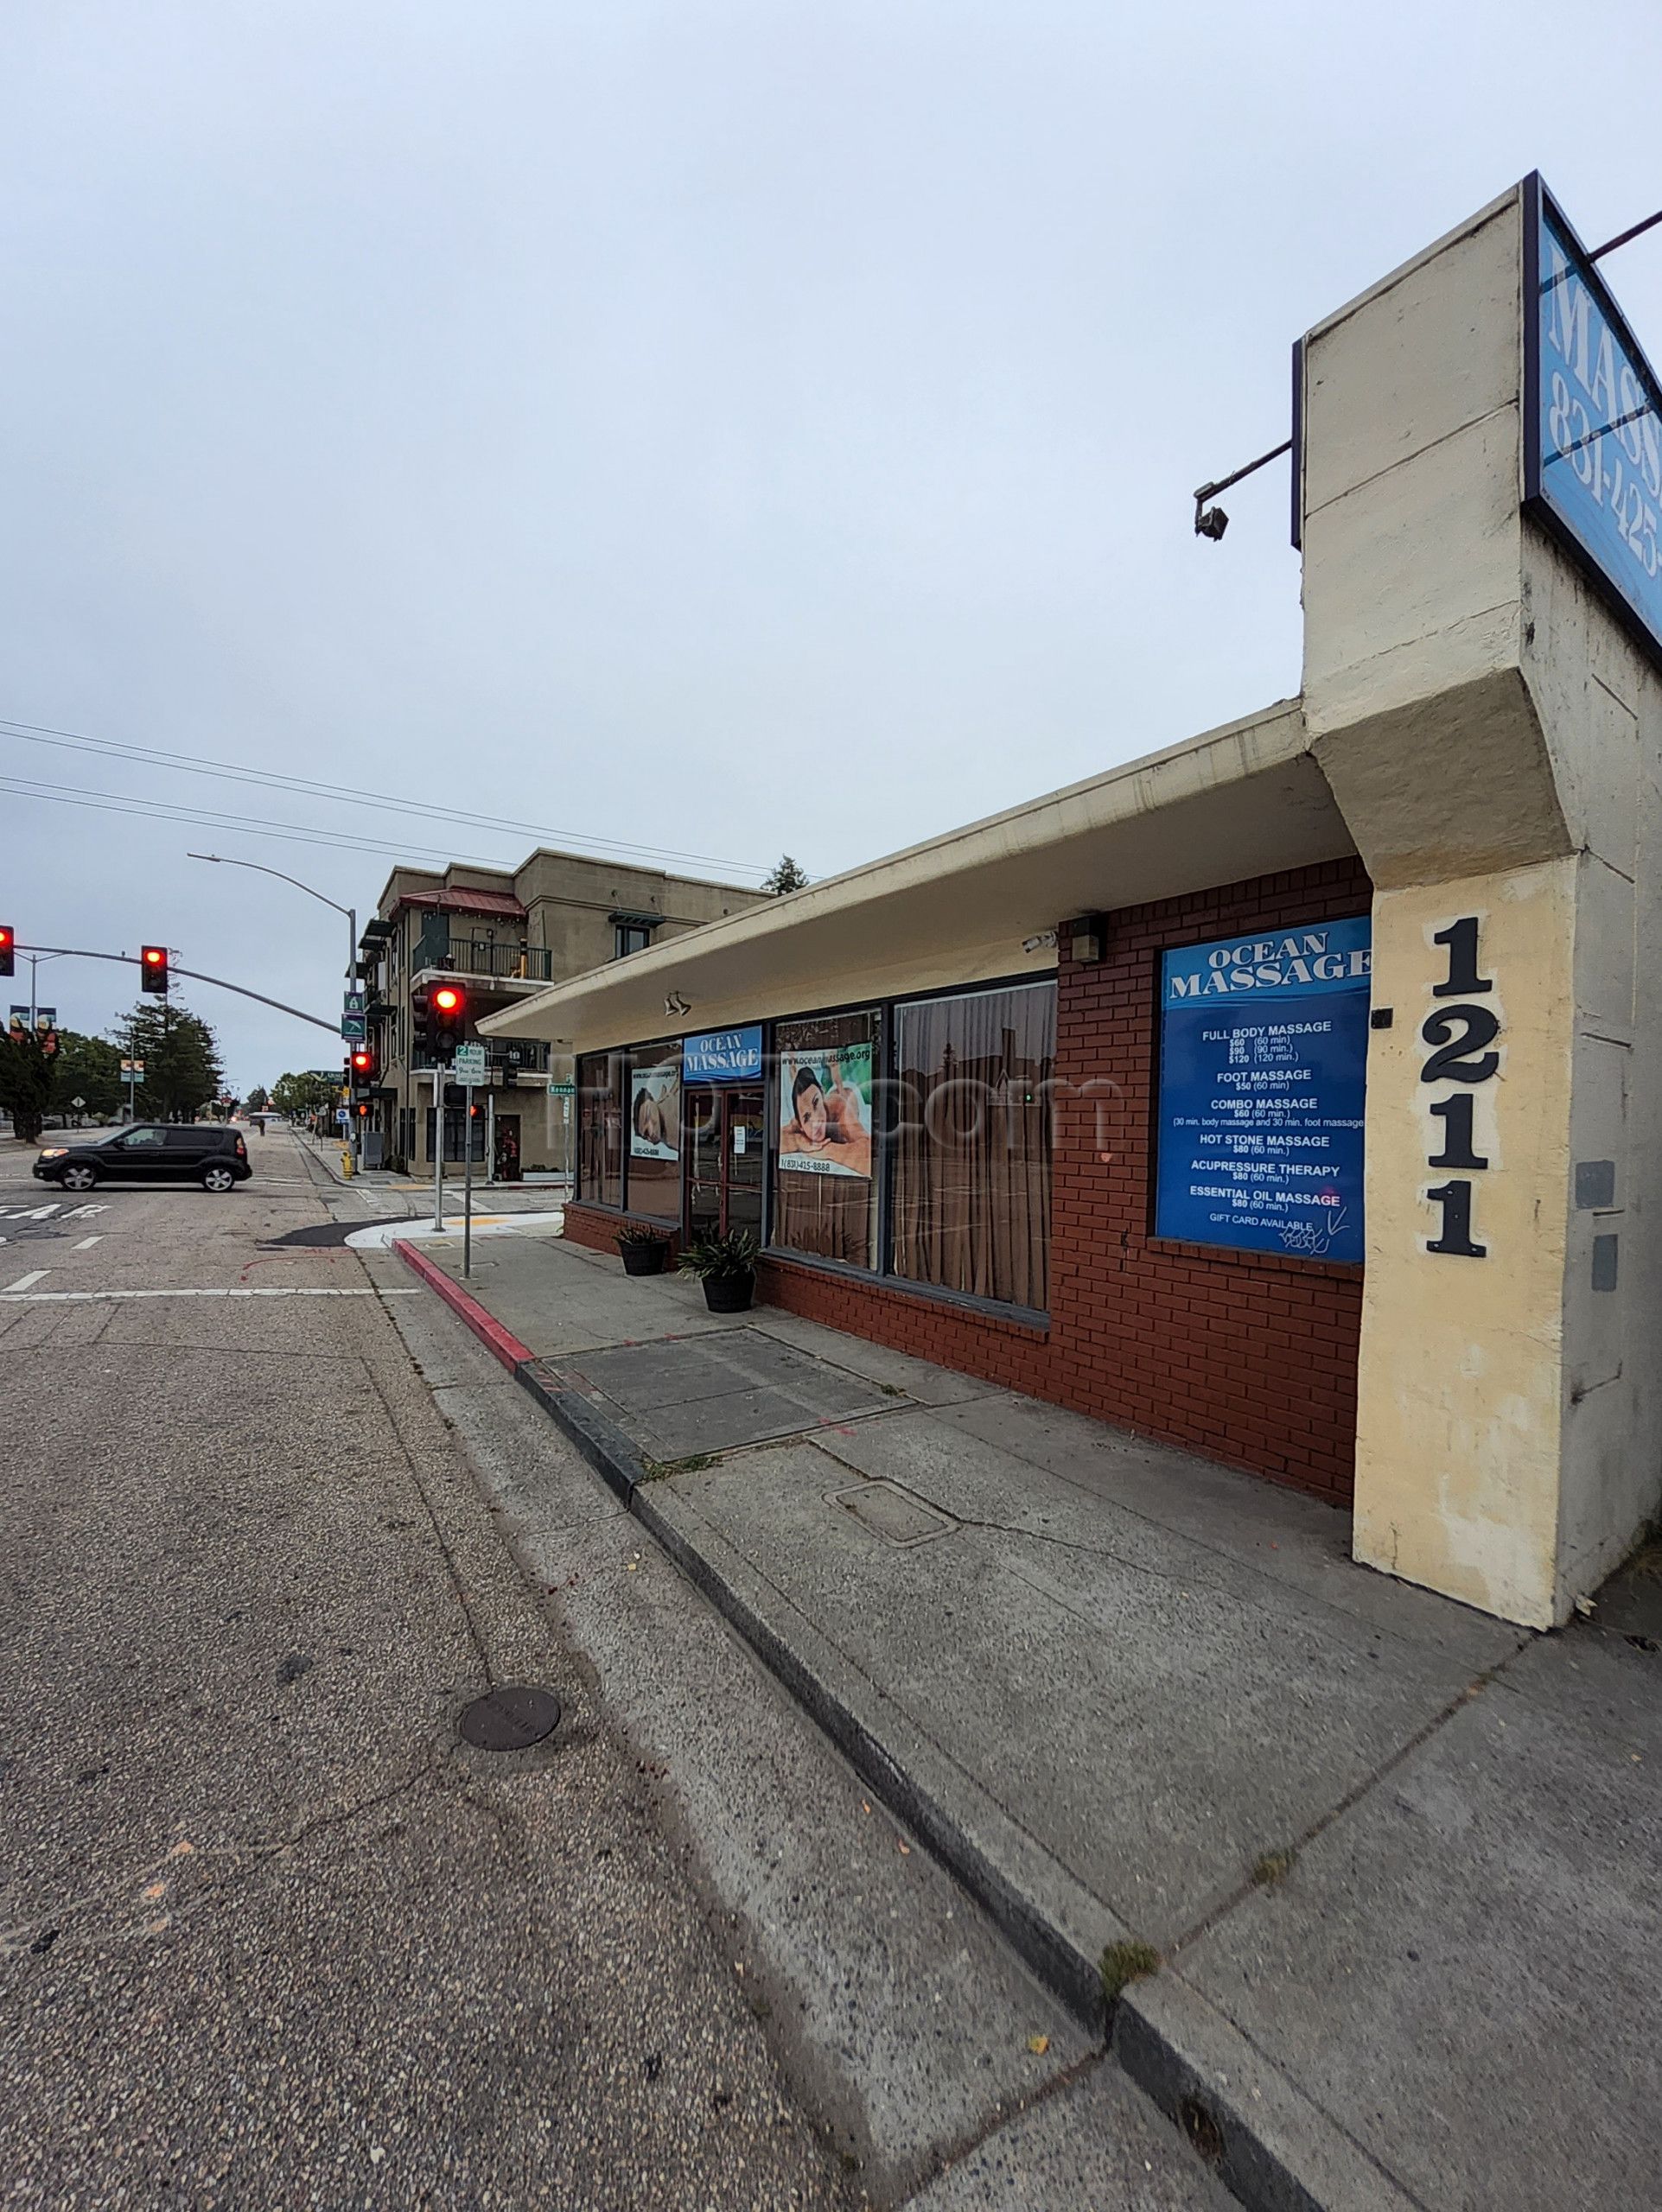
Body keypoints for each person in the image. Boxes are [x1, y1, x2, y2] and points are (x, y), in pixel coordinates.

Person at [780, 1057, 871, 1178]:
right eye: (807, 1118)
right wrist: (800, 1142)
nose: (816, 1120)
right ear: (800, 1126)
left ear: (822, 1095)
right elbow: (775, 1138)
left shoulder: (841, 1111)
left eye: (816, 1103)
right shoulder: (798, 1121)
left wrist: (827, 1149)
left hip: (852, 1095)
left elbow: (868, 1151)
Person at [632, 1071, 679, 1155]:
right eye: (646, 1137)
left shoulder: (673, 1106)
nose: (650, 1139)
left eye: (647, 1132)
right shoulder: (666, 1139)